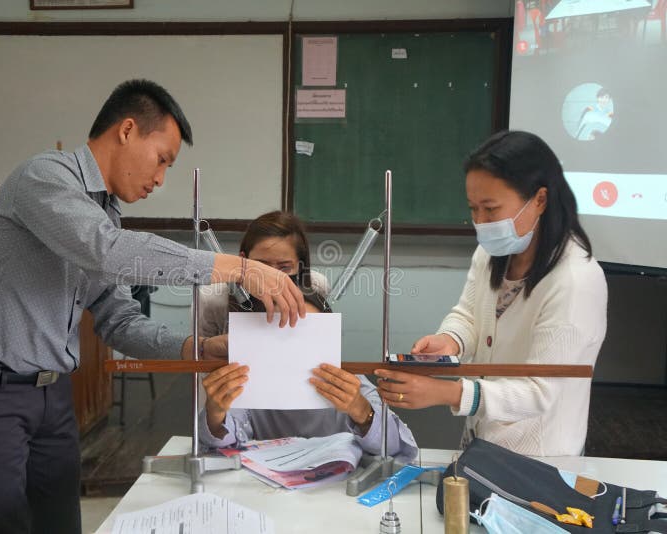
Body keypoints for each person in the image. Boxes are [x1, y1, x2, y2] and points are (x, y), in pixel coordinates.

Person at [0, 79, 306, 534]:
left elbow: (118, 318)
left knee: (59, 524)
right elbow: (106, 250)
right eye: (162, 159)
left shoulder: (104, 214)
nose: (160, 179)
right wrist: (238, 268)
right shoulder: (45, 177)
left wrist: (198, 347)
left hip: (51, 396)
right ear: (127, 130)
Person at [375, 130, 607, 457]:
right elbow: (470, 314)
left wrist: (449, 393)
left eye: (491, 208)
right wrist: (450, 341)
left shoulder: (576, 281)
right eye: (473, 208)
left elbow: (540, 392)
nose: (480, 222)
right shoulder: (492, 253)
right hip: (483, 445)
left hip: (539, 459)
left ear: (540, 200)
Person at [198, 211, 418, 460]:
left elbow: (395, 444)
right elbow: (221, 439)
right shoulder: (250, 381)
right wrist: (215, 415)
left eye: (304, 331)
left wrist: (361, 411)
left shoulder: (343, 379)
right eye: (261, 267)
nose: (273, 279)